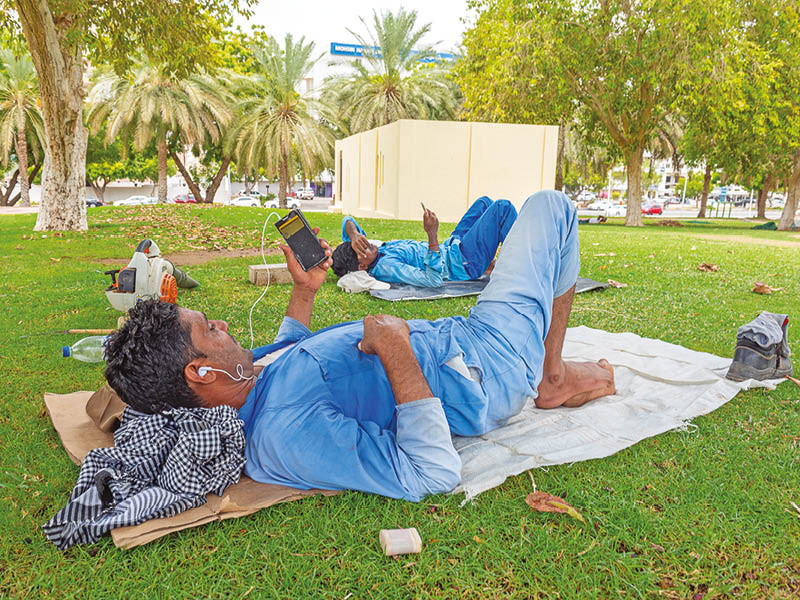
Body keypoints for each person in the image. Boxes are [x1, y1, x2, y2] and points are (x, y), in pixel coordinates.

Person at [104, 190, 615, 502]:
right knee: (552, 208)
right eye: (208, 330)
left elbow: (291, 354)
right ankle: (550, 375)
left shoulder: (243, 382)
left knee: (529, 218)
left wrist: (305, 291)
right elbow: (431, 472)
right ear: (199, 373)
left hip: (462, 336)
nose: (219, 322)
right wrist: (396, 350)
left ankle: (551, 368)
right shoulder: (286, 435)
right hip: (488, 367)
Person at [331, 196, 517, 287]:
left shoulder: (373, 252)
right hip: (462, 262)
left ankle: (497, 259)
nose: (368, 243)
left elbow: (347, 221)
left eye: (362, 242)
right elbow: (432, 280)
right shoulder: (387, 266)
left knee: (484, 202)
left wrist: (354, 235)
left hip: (452, 246)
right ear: (362, 266)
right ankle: (519, 268)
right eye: (363, 248)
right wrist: (432, 234)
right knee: (502, 208)